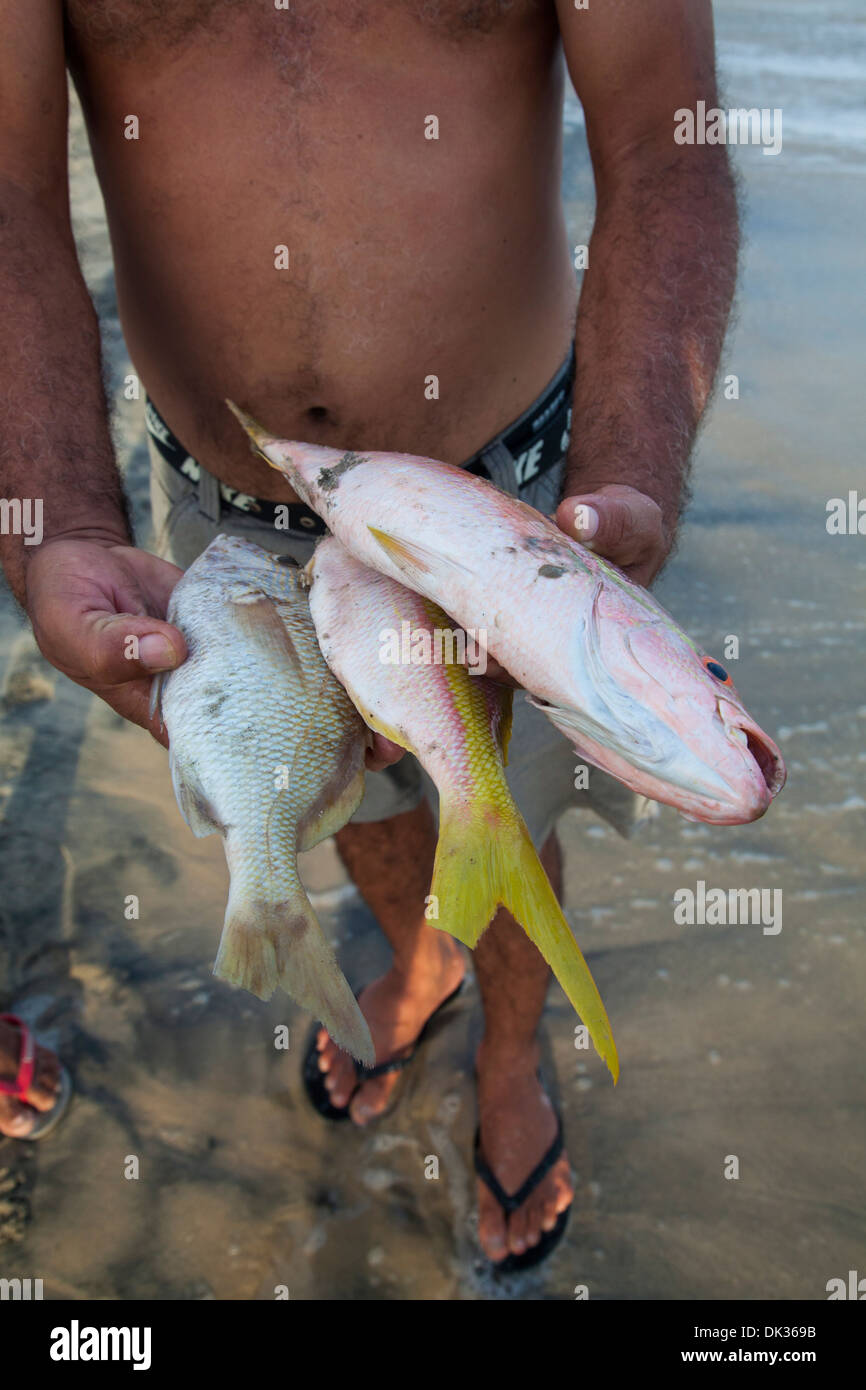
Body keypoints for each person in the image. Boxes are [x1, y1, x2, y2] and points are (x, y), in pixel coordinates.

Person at [0, 0, 737, 1267]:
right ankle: (413, 961)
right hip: (231, 518)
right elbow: (8, 189)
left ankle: (510, 1058)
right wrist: (59, 518)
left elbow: (666, 141)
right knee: (334, 799)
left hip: (503, 510)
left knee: (498, 806)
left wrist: (630, 473)